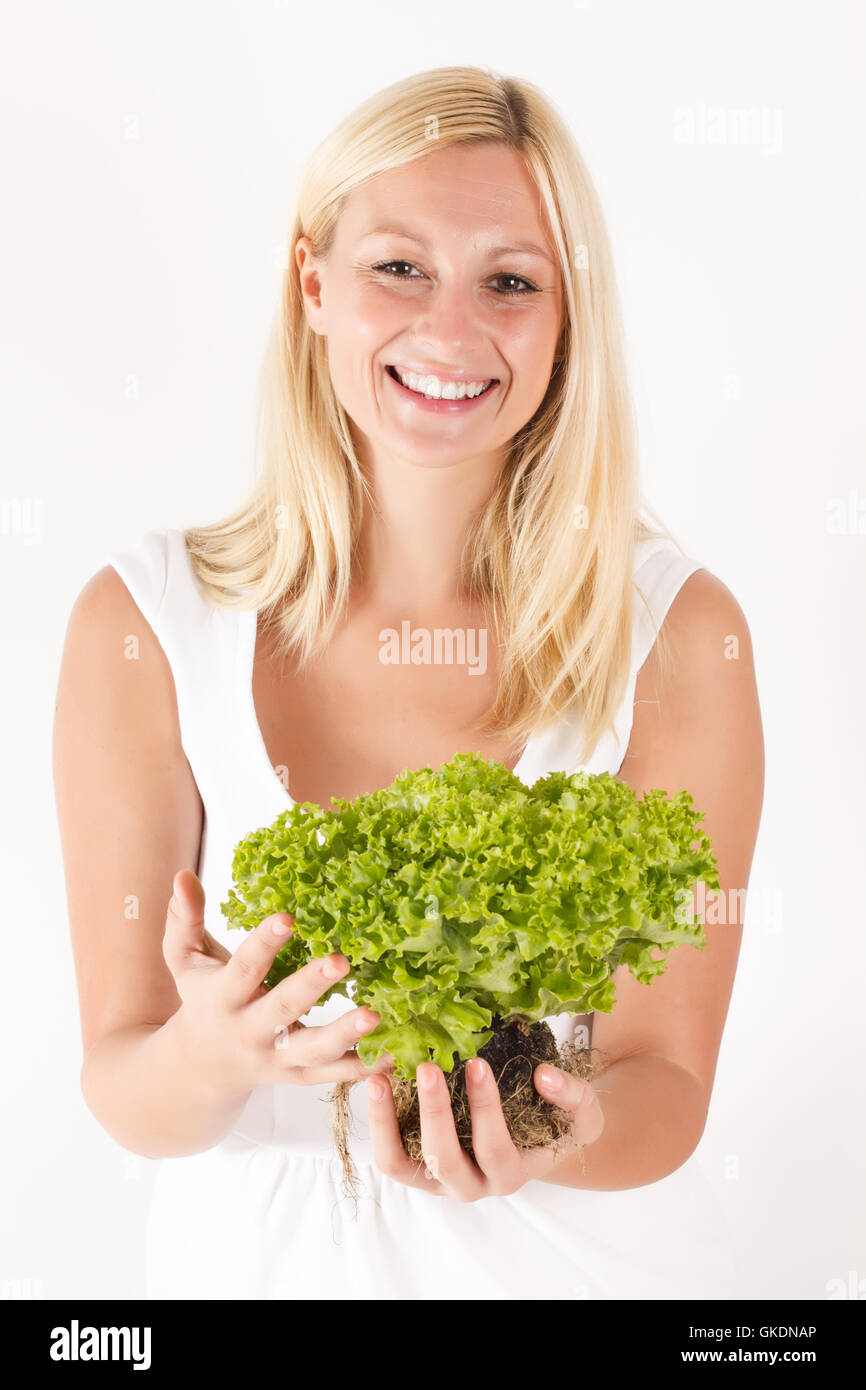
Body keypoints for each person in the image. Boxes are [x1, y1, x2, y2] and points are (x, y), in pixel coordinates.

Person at [53, 66, 764, 1299]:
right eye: (397, 268)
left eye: (508, 281)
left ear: (565, 320)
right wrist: (215, 1054)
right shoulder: (149, 621)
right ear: (311, 284)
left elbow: (667, 1080)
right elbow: (123, 1081)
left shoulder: (676, 633)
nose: (448, 331)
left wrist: (557, 1136)